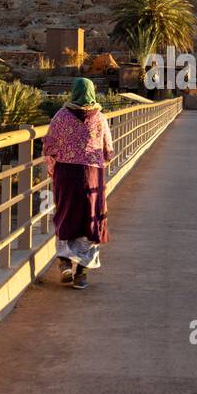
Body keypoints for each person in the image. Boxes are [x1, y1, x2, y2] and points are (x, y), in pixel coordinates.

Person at [42, 78, 114, 289]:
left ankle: (64, 262)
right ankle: (81, 273)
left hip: (66, 174)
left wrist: (53, 169)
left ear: (73, 92)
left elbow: (49, 146)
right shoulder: (100, 118)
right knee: (90, 218)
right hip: (92, 174)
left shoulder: (60, 116)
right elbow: (108, 150)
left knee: (66, 213)